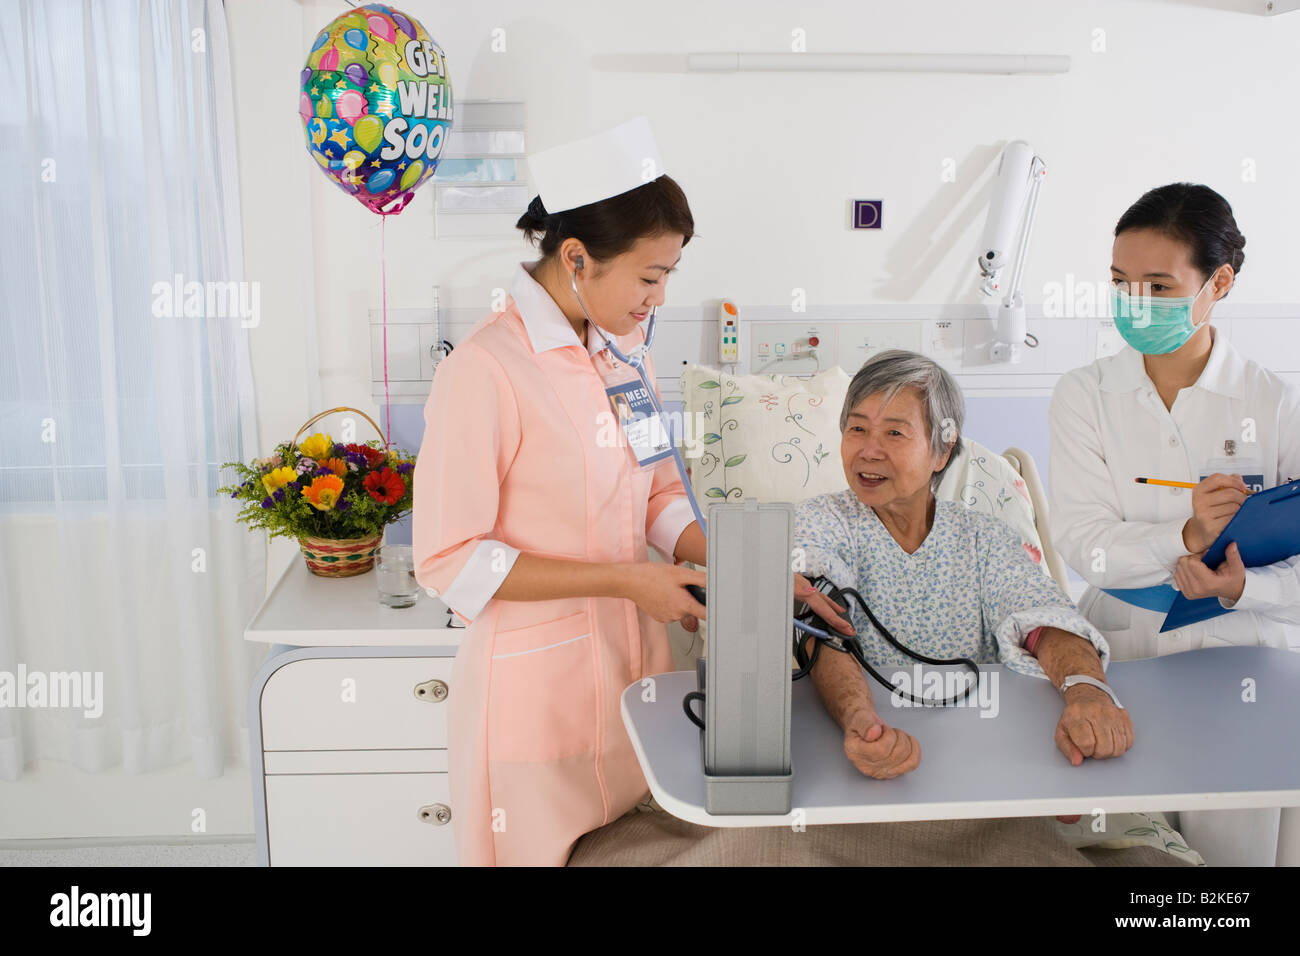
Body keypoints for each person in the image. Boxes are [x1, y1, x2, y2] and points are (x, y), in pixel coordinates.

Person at [411, 117, 846, 866]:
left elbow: (658, 497)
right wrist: (626, 580)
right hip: (536, 701)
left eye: (670, 274)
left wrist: (749, 571)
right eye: (650, 277)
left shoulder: (622, 359)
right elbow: (451, 560)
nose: (660, 297)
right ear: (576, 257)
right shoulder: (484, 371)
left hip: (636, 672)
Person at [1048, 182, 1300, 865]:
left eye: (1158, 286)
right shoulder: (1084, 395)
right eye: (1119, 282)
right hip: (1124, 651)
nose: (1134, 302)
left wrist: (1241, 589)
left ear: (1219, 282)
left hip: (1244, 659)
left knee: (1231, 862)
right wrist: (1182, 540)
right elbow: (1082, 545)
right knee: (1134, 854)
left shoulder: (1273, 402)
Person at [791, 350, 1131, 778]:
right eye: (857, 429)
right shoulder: (821, 522)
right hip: (864, 754)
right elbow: (821, 626)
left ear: (941, 450)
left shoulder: (983, 538)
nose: (869, 451)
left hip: (984, 756)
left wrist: (1088, 692)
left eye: (895, 433)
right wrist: (863, 722)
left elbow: (1044, 618)